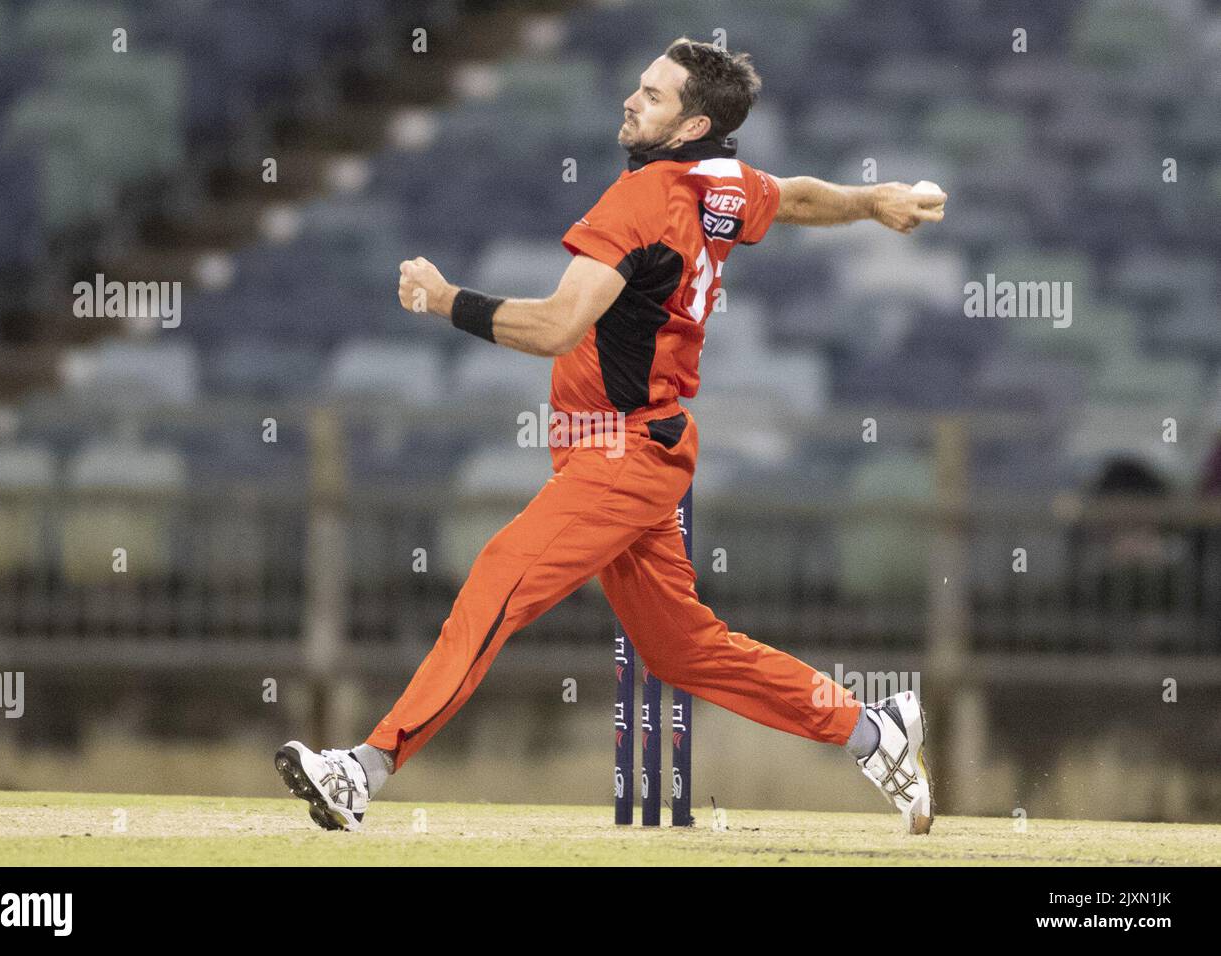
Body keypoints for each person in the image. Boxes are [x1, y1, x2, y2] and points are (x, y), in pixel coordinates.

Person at [276, 38, 946, 834]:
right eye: (639, 85)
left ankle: (365, 768)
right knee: (682, 650)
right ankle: (874, 730)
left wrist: (443, 299)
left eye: (653, 95)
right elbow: (794, 197)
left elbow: (560, 327)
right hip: (642, 445)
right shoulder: (719, 181)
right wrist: (873, 202)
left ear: (692, 123)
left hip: (621, 453)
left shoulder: (642, 201)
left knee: (498, 579)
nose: (632, 99)